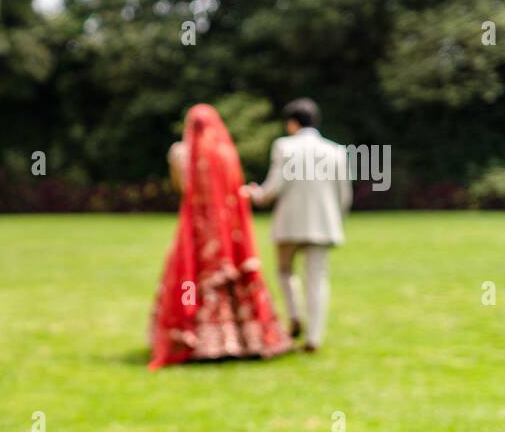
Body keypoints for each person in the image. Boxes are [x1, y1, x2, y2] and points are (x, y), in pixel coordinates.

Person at [149, 104, 292, 369]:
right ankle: (245, 338)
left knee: (190, 280)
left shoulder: (182, 154)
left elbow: (183, 189)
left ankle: (192, 333)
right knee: (232, 279)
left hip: (198, 230)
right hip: (229, 231)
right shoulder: (226, 152)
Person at [245, 98, 352, 353]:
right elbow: (344, 194)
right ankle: (314, 338)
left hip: (290, 222)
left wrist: (256, 195)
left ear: (292, 123)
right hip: (323, 223)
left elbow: (274, 186)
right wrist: (336, 221)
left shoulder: (285, 146)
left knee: (284, 271)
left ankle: (294, 314)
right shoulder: (335, 150)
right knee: (317, 279)